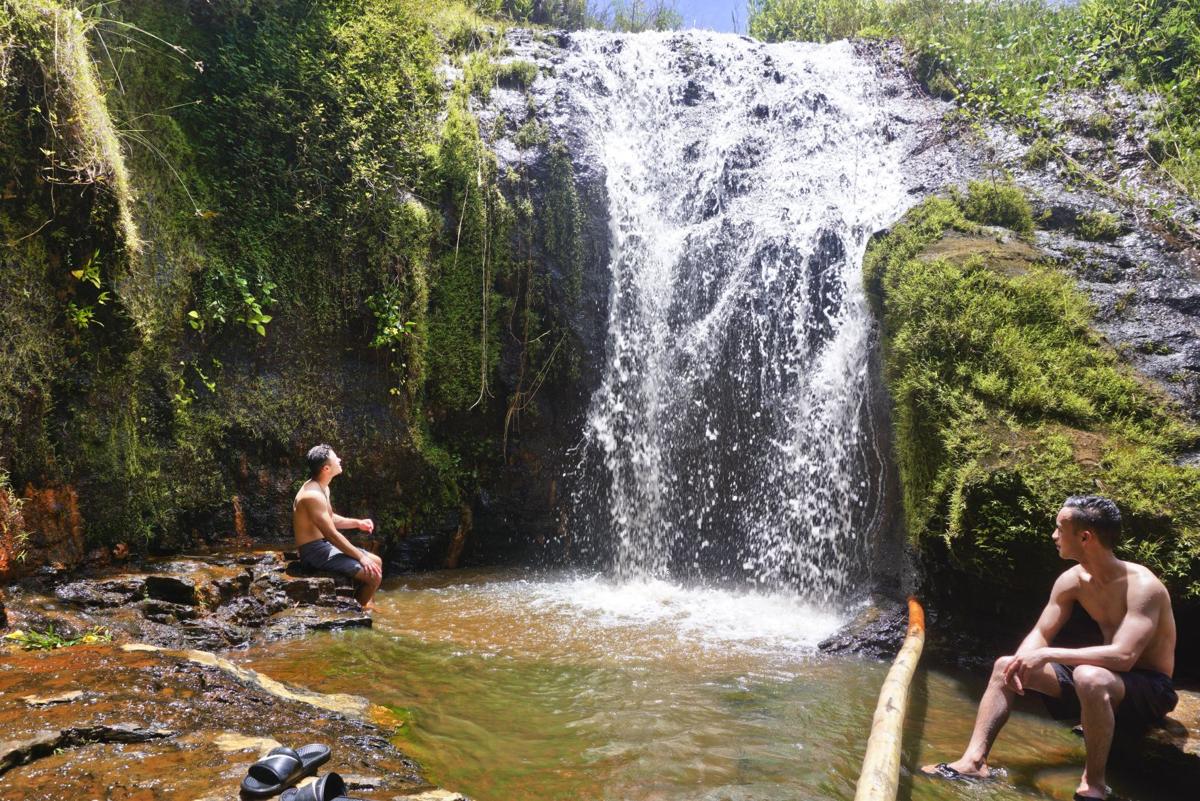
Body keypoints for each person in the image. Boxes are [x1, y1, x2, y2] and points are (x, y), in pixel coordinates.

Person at [921, 495, 1177, 800]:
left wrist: (1048, 654)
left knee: (1088, 677)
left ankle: (1093, 785)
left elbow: (1124, 656)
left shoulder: (1143, 586)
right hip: (1103, 678)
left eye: (1059, 529)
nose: (1053, 536)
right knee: (1006, 665)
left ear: (1085, 537)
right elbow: (1041, 632)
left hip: (1150, 688)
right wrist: (1023, 661)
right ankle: (973, 763)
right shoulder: (1072, 580)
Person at [293, 443, 384, 610]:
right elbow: (332, 535)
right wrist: (361, 557)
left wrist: (357, 523)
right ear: (326, 468)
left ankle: (367, 603)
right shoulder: (312, 495)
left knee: (377, 561)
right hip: (313, 552)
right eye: (336, 458)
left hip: (323, 546)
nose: (340, 459)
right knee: (373, 576)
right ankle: (357, 611)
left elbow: (330, 518)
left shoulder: (323, 487)